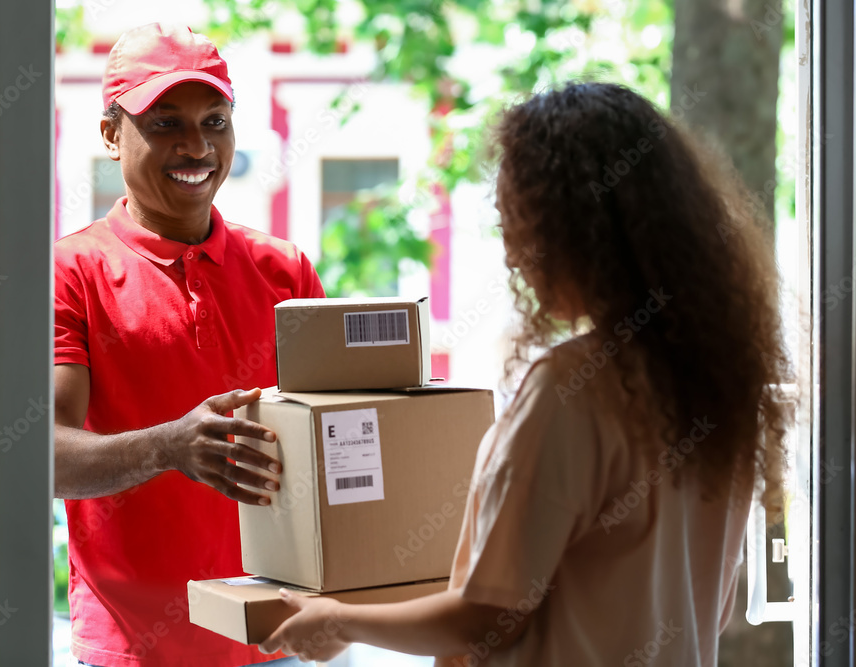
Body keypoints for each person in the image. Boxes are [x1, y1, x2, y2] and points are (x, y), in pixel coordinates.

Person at [259, 82, 792, 666]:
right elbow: (700, 602)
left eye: (516, 221)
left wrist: (339, 621)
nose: (513, 255)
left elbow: (488, 618)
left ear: (573, 229)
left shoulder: (573, 387)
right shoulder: (715, 383)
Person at [54, 23, 324, 667]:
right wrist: (169, 447)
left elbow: (331, 436)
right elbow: (39, 457)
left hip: (274, 643)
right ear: (111, 134)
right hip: (132, 649)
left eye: (215, 121)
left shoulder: (284, 270)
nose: (197, 146)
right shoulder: (71, 273)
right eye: (166, 123)